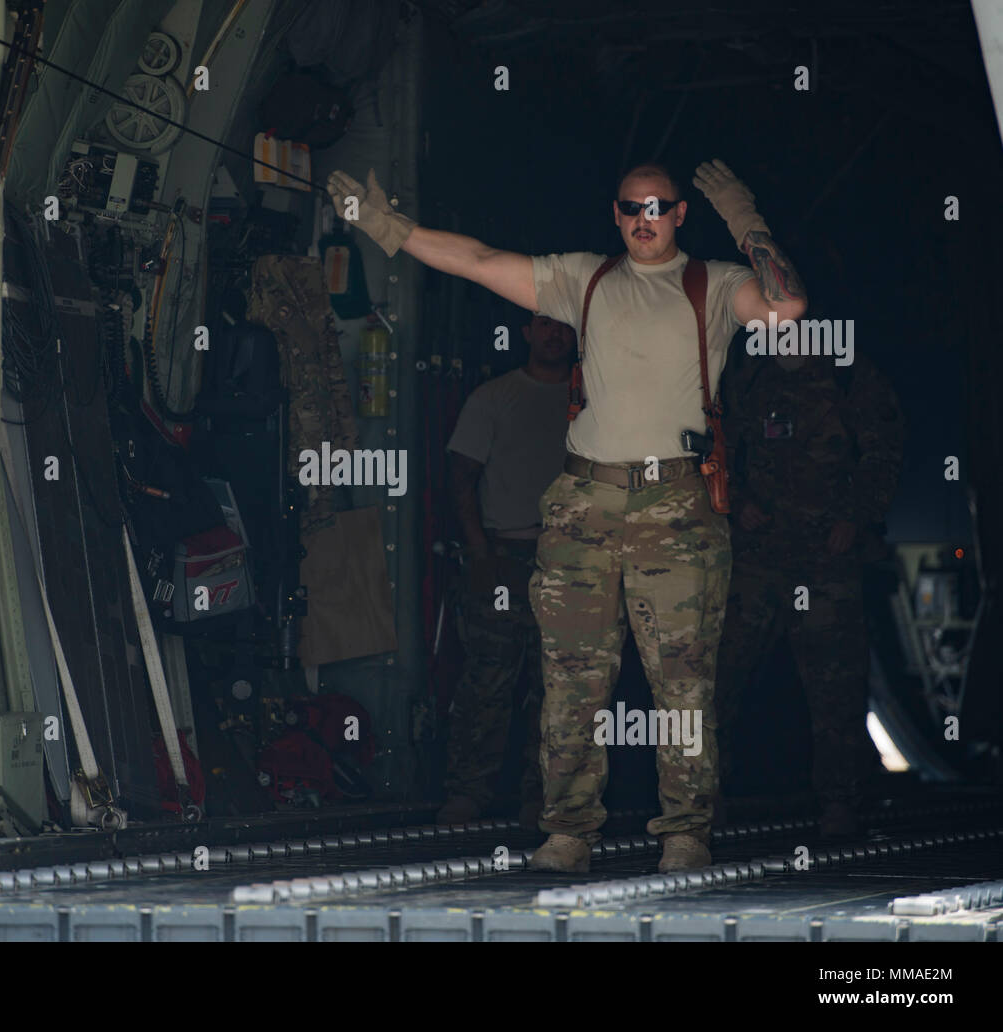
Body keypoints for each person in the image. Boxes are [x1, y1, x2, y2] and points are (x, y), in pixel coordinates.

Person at [328, 159, 808, 873]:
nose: (644, 216)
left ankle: (684, 831)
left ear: (680, 215)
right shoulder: (583, 278)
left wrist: (747, 219)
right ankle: (568, 831)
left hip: (676, 504)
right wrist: (388, 227)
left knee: (682, 680)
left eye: (659, 206)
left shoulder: (716, 284)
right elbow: (482, 261)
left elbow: (789, 308)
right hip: (584, 504)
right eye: (631, 206)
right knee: (572, 676)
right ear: (615, 214)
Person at [716, 348, 904, 837]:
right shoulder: (745, 371)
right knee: (717, 677)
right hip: (756, 555)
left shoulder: (846, 373)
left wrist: (855, 518)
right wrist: (736, 503)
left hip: (826, 556)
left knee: (835, 684)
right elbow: (714, 446)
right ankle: (700, 801)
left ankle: (839, 803)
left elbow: (883, 452)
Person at [438, 313, 576, 830]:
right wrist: (480, 553)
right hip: (505, 554)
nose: (554, 334)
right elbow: (461, 478)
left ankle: (543, 800)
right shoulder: (494, 398)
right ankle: (468, 792)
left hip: (570, 560)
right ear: (525, 333)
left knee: (560, 688)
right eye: (544, 325)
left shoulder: (591, 400)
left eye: (564, 326)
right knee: (488, 682)